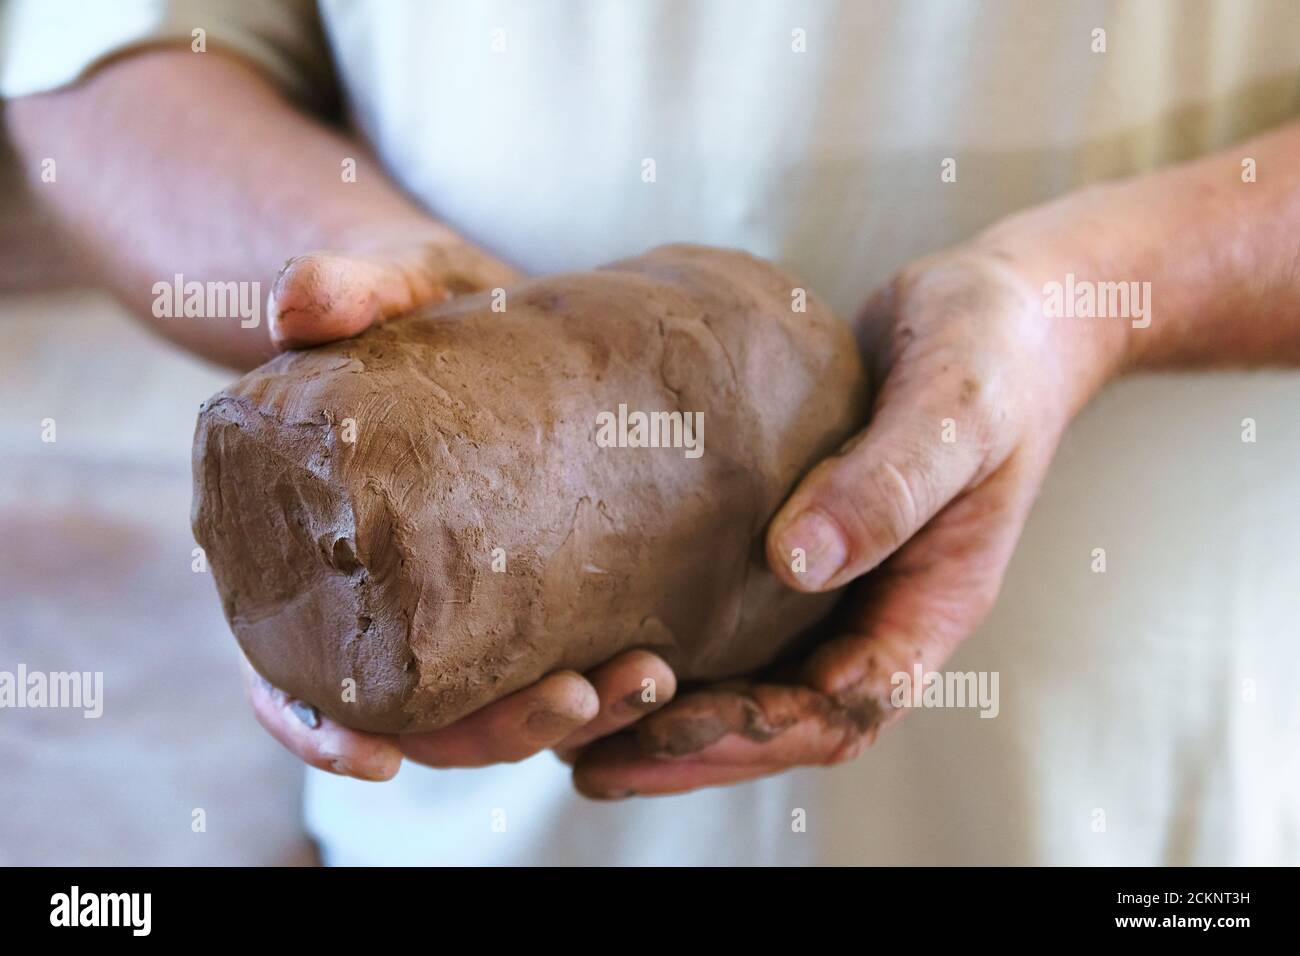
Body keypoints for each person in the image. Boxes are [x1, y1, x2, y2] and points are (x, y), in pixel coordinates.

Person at [5, 0, 1298, 865]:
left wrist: (1093, 300)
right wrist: (369, 281)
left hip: (1155, 807)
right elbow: (97, 66)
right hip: (473, 821)